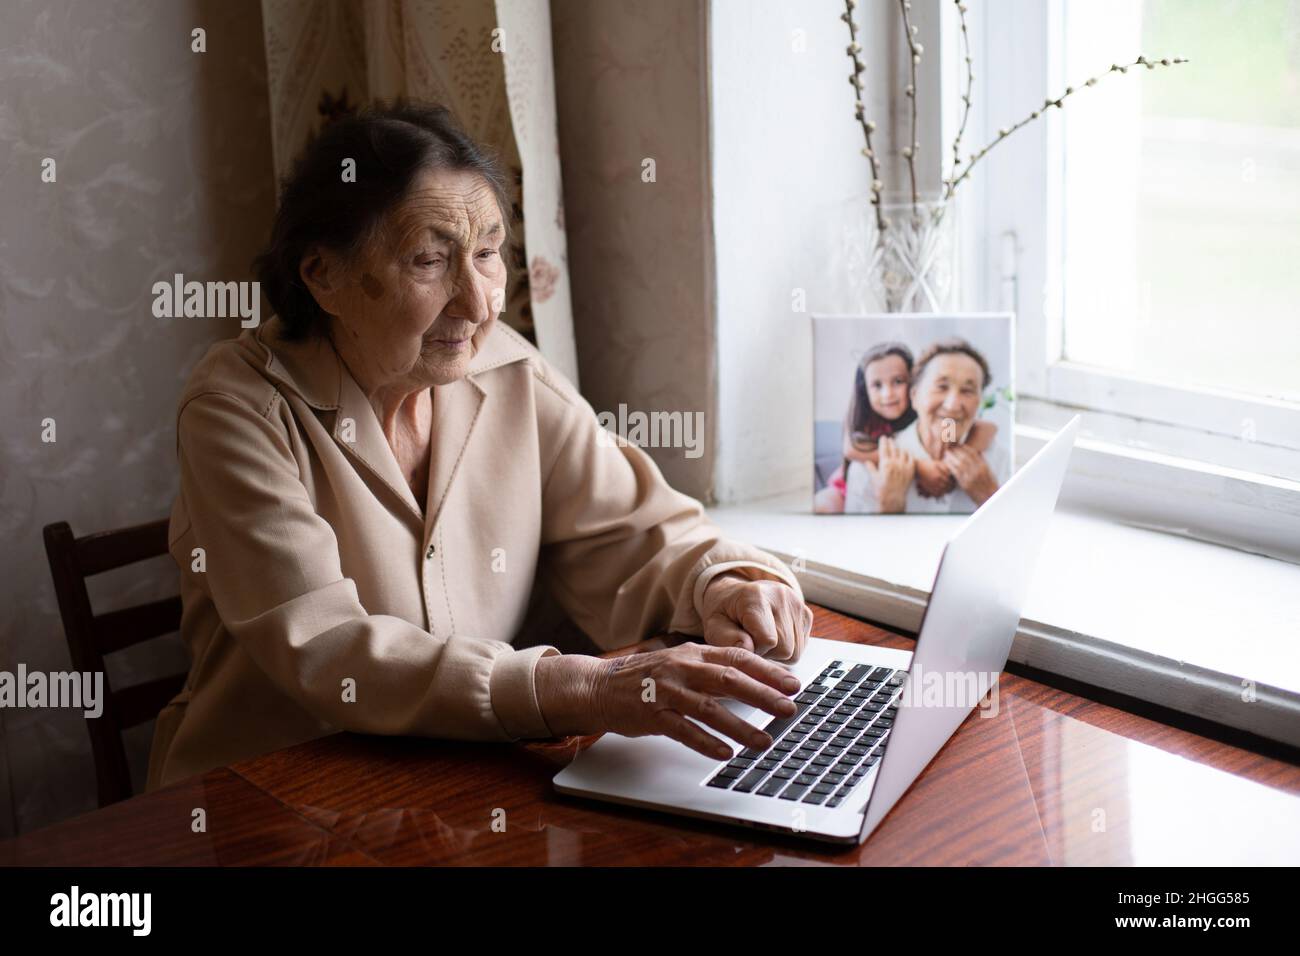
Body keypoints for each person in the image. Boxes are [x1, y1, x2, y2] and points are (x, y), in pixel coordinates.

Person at [145, 101, 811, 791]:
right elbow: (327, 648)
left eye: (488, 254)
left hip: (451, 787)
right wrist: (582, 686)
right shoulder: (236, 407)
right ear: (324, 276)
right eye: (431, 260)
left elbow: (639, 531)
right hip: (270, 795)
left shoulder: (506, 371)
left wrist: (726, 583)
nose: (478, 301)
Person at [814, 341, 996, 513]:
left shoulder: (989, 453)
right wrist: (918, 467)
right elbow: (851, 449)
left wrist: (956, 461)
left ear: (912, 387)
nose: (888, 394)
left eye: (898, 381)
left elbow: (986, 428)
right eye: (877, 385)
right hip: (841, 486)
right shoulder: (863, 433)